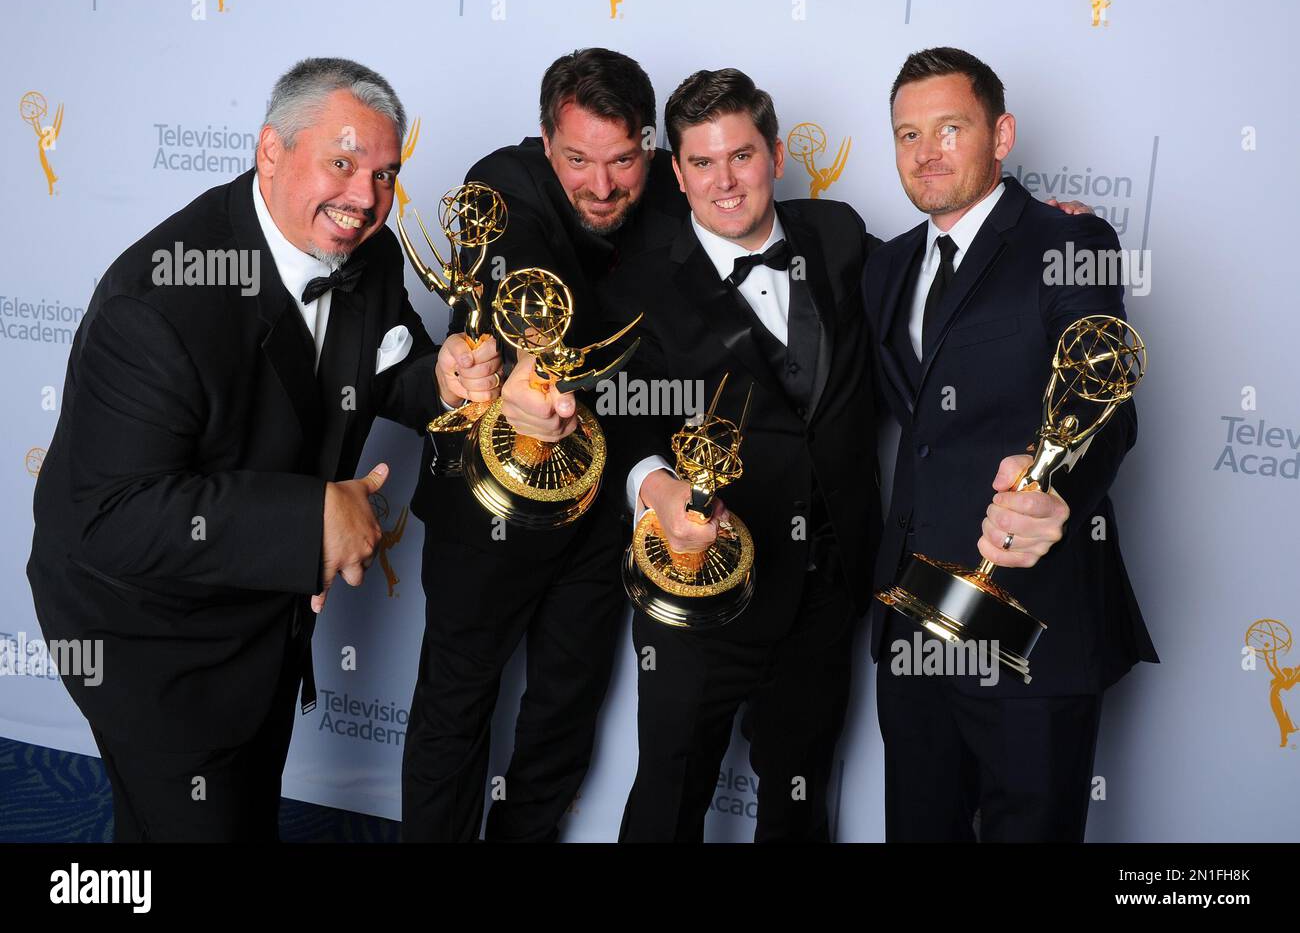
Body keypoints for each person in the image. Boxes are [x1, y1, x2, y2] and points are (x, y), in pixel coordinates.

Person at [26, 57, 500, 842]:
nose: (364, 198)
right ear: (270, 152)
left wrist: (445, 379)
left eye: (384, 174)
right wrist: (315, 517)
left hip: (262, 616)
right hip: (150, 637)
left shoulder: (367, 255)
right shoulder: (158, 304)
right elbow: (109, 517)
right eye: (342, 163)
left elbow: (390, 372)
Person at [864, 46, 1157, 842]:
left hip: (1033, 623)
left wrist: (1055, 484)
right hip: (918, 621)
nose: (926, 152)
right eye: (907, 134)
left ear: (1001, 136)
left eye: (950, 128)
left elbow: (1107, 401)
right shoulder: (885, 266)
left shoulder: (1069, 240)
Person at [401, 48, 688, 842]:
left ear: (650, 147)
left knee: (565, 706)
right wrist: (532, 368)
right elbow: (519, 288)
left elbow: (760, 218)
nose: (602, 186)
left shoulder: (673, 189)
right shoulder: (501, 185)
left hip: (599, 505)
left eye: (623, 160)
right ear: (544, 140)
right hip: (487, 505)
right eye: (578, 160)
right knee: (456, 706)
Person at [596, 68, 882, 842]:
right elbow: (622, 414)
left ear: (777, 154)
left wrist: (1036, 233)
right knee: (671, 789)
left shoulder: (840, 235)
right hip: (702, 583)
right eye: (701, 162)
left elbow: (936, 276)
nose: (725, 181)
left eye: (742, 156)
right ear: (677, 172)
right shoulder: (639, 285)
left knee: (799, 793)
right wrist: (654, 486)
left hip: (824, 586)